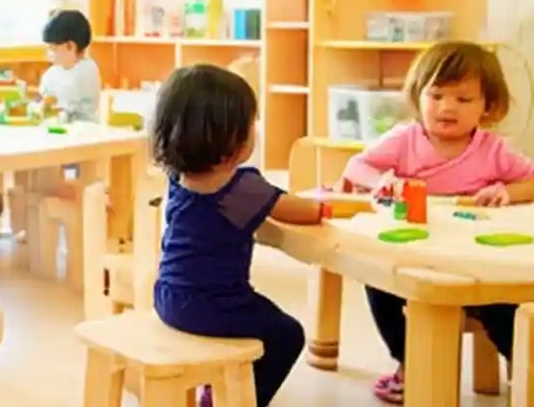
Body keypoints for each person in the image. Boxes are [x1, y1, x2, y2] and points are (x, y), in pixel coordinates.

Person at [341, 41, 534, 404]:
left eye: (463, 99)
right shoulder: (404, 139)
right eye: (436, 95)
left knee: (504, 301)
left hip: (474, 258)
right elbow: (356, 166)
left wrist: (507, 192)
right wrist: (381, 181)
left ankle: (524, 367)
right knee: (378, 280)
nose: (447, 107)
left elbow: (531, 182)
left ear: (487, 106)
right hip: (412, 253)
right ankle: (408, 362)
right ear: (418, 97)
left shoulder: (493, 150)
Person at [151, 64, 328, 407]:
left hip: (168, 296)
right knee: (287, 335)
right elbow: (304, 211)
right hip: (214, 304)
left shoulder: (177, 178)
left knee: (260, 323)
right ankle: (236, 400)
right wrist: (327, 204)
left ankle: (217, 389)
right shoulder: (241, 188)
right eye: (252, 125)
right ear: (232, 140)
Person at [39, 9, 101, 122]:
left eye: (54, 48)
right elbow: (44, 98)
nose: (50, 54)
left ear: (70, 47)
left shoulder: (87, 70)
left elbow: (69, 107)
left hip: (83, 130)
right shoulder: (52, 73)